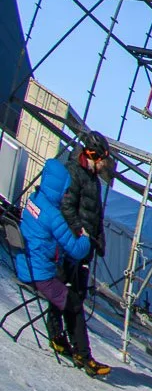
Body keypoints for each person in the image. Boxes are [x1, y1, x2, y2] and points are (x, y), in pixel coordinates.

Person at [15, 134, 113, 376]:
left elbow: (95, 213)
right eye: (104, 160)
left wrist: (97, 240)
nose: (105, 166)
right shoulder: (71, 175)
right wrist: (80, 234)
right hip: (69, 244)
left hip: (77, 244)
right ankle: (78, 349)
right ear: (93, 155)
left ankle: (61, 337)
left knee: (69, 293)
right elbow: (67, 208)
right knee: (71, 297)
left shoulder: (93, 180)